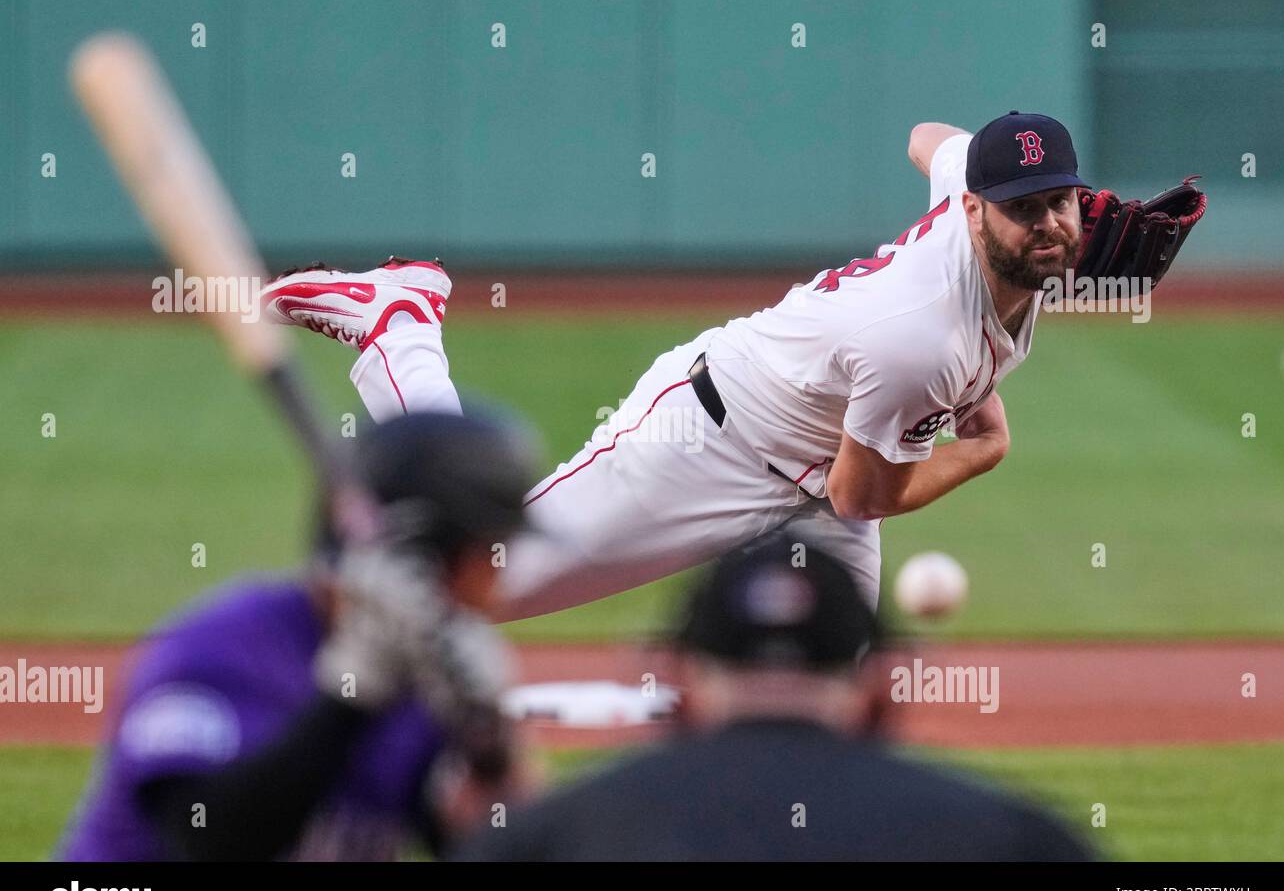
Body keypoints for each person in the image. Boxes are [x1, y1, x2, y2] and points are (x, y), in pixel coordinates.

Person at [260, 111, 1085, 619]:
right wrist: (977, 450)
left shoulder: (992, 215)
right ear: (974, 210)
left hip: (815, 474)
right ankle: (398, 325)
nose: (1049, 223)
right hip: (712, 442)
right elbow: (860, 493)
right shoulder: (916, 336)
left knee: (830, 695)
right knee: (487, 576)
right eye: (1023, 208)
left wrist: (997, 176)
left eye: (1061, 199)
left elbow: (927, 139)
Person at [59, 410, 538, 861]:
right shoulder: (213, 652)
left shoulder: (419, 674)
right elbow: (209, 841)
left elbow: (500, 847)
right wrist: (350, 697)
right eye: (492, 555)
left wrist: (490, 745)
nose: (502, 583)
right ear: (423, 557)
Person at [454, 532, 1092, 861]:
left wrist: (477, 827)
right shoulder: (1013, 837)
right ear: (879, 691)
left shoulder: (566, 832)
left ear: (678, 685)